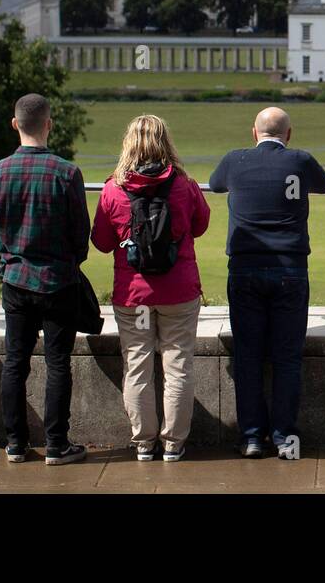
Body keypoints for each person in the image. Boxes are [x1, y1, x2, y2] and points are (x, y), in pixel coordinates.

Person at [209, 106, 325, 459]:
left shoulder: (235, 160)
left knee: (247, 357)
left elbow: (216, 184)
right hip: (291, 270)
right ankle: (284, 437)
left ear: (254, 133)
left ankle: (250, 437)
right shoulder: (301, 160)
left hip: (245, 269)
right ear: (289, 134)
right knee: (288, 358)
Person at [91, 115, 210, 462]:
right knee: (178, 366)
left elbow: (100, 241)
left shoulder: (113, 188)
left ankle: (144, 442)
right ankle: (173, 443)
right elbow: (201, 225)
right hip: (178, 293)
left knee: (138, 364)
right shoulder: (183, 184)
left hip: (135, 297)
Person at [0, 93, 90, 465]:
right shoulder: (67, 173)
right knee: (58, 362)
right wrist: (69, 260)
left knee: (16, 361)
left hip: (15, 279)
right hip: (59, 280)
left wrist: (12, 257)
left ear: (16, 124)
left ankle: (14, 443)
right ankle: (56, 444)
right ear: (49, 124)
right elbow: (81, 233)